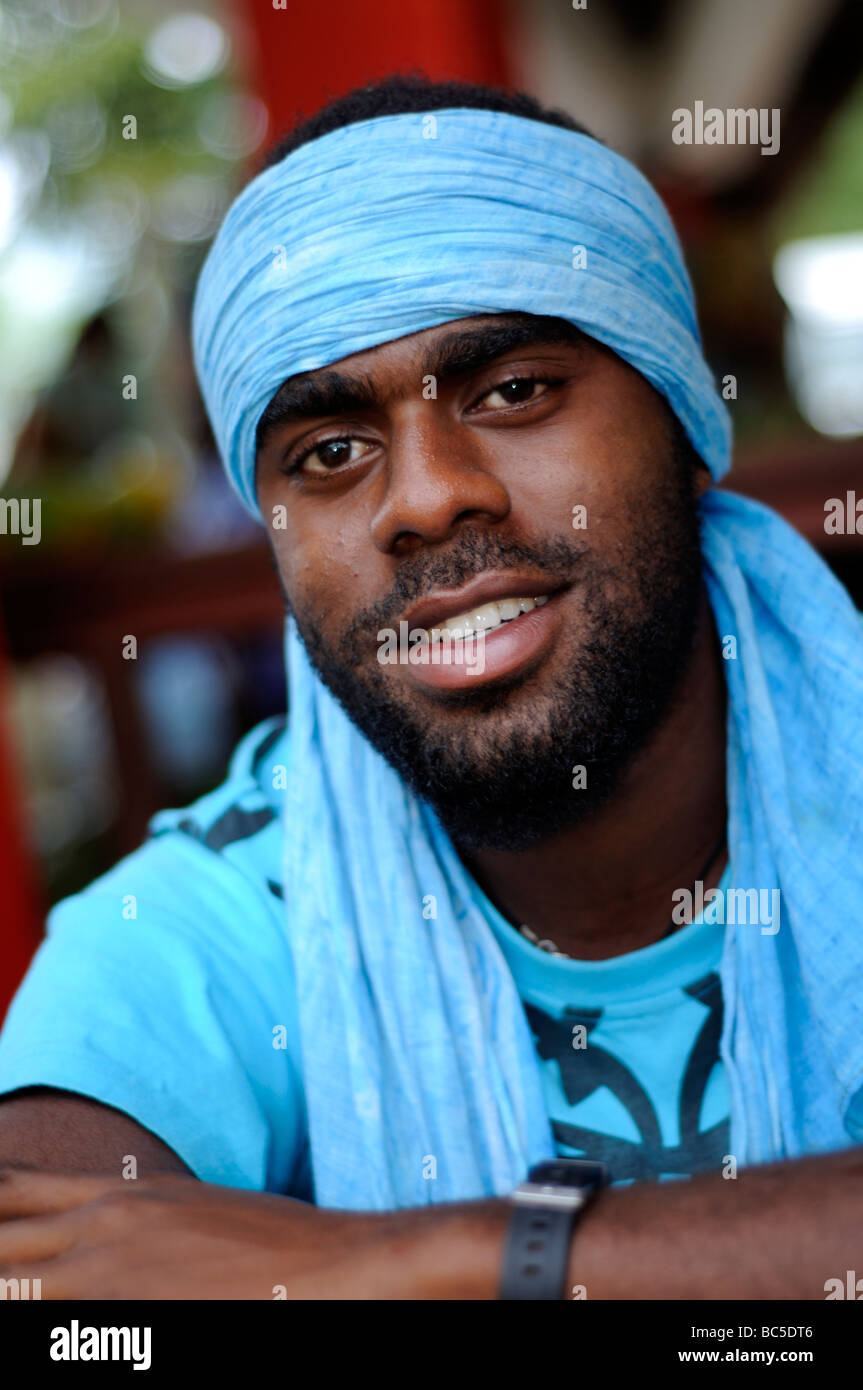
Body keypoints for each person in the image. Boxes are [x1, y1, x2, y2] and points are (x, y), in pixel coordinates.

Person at [0, 75, 861, 1301]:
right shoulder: (208, 925)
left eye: (512, 389)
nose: (423, 497)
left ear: (677, 418)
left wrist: (435, 1256)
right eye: (331, 451)